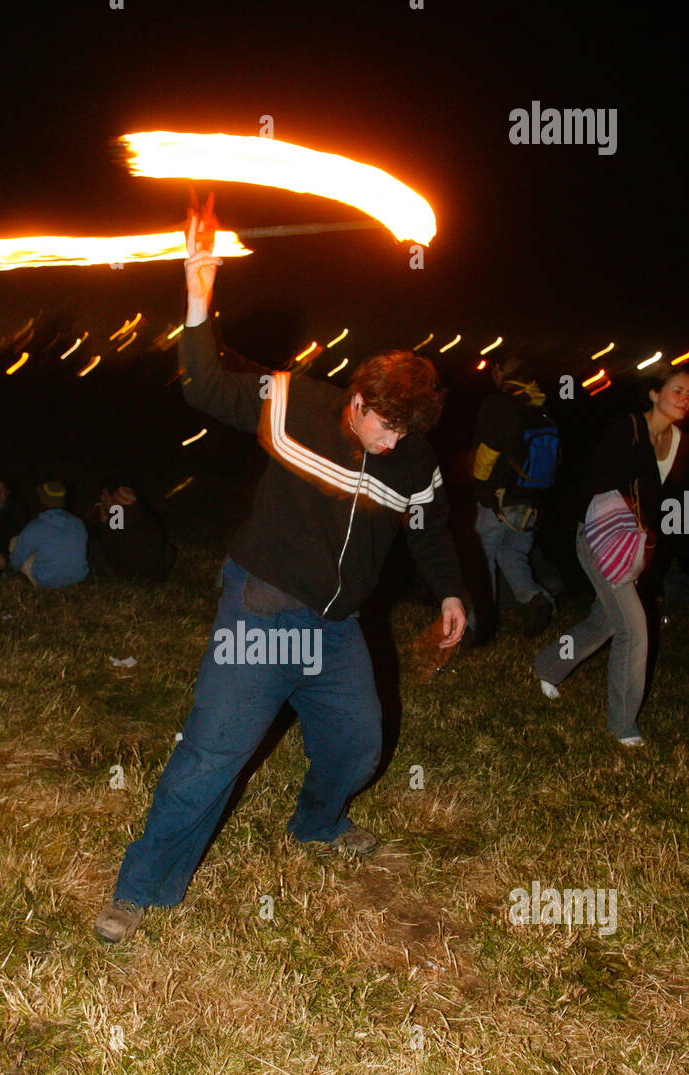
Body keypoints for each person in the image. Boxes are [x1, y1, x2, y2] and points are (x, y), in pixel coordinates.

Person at [94, 208, 467, 944]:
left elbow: (428, 527)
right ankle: (140, 889)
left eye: (406, 433)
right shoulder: (294, 402)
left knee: (359, 745)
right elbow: (204, 382)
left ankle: (318, 824)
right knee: (215, 752)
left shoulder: (413, 457)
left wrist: (451, 588)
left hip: (335, 629)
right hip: (262, 611)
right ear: (356, 401)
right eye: (383, 427)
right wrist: (199, 295)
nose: (392, 443)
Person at [533, 367, 689, 747]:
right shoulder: (626, 427)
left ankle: (548, 666)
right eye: (677, 390)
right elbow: (593, 481)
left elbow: (668, 500)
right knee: (634, 629)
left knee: (605, 621)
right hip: (598, 537)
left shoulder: (677, 439)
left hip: (631, 545)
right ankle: (623, 727)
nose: (685, 399)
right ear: (654, 394)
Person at [467, 350, 557, 644]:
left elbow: (487, 452)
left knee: (484, 558)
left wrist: (480, 488)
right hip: (530, 501)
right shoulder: (539, 404)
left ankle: (479, 626)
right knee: (512, 553)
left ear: (497, 370)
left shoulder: (498, 403)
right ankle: (536, 599)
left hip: (499, 498)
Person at [87, 480, 176, 581]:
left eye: (105, 495)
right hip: (155, 576)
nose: (102, 499)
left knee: (94, 550)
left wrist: (105, 524)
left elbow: (109, 551)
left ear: (114, 499)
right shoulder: (148, 515)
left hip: (129, 576)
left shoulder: (117, 521)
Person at [9, 481, 89, 588]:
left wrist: (13, 570)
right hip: (78, 579)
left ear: (42, 500)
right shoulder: (78, 523)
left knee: (15, 541)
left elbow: (17, 559)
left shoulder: (36, 526)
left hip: (47, 582)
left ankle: (32, 580)